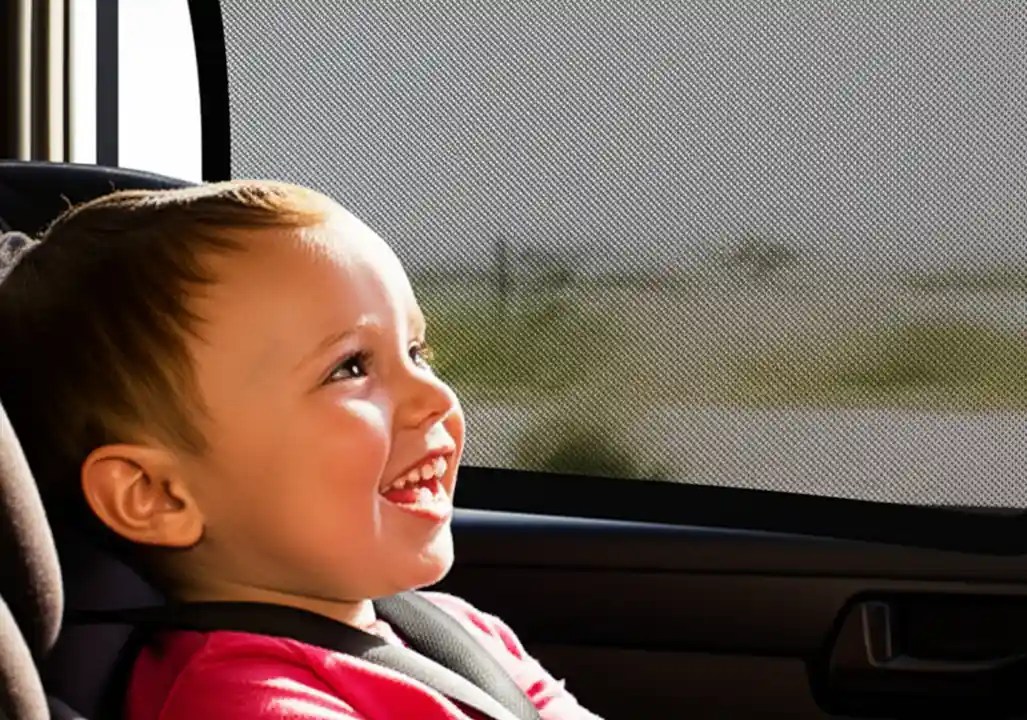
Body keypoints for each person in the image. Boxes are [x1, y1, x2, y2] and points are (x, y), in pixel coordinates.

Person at [0, 181, 602, 719]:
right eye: (350, 367)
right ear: (158, 495)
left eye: (417, 352)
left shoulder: (457, 631)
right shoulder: (240, 699)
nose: (435, 395)